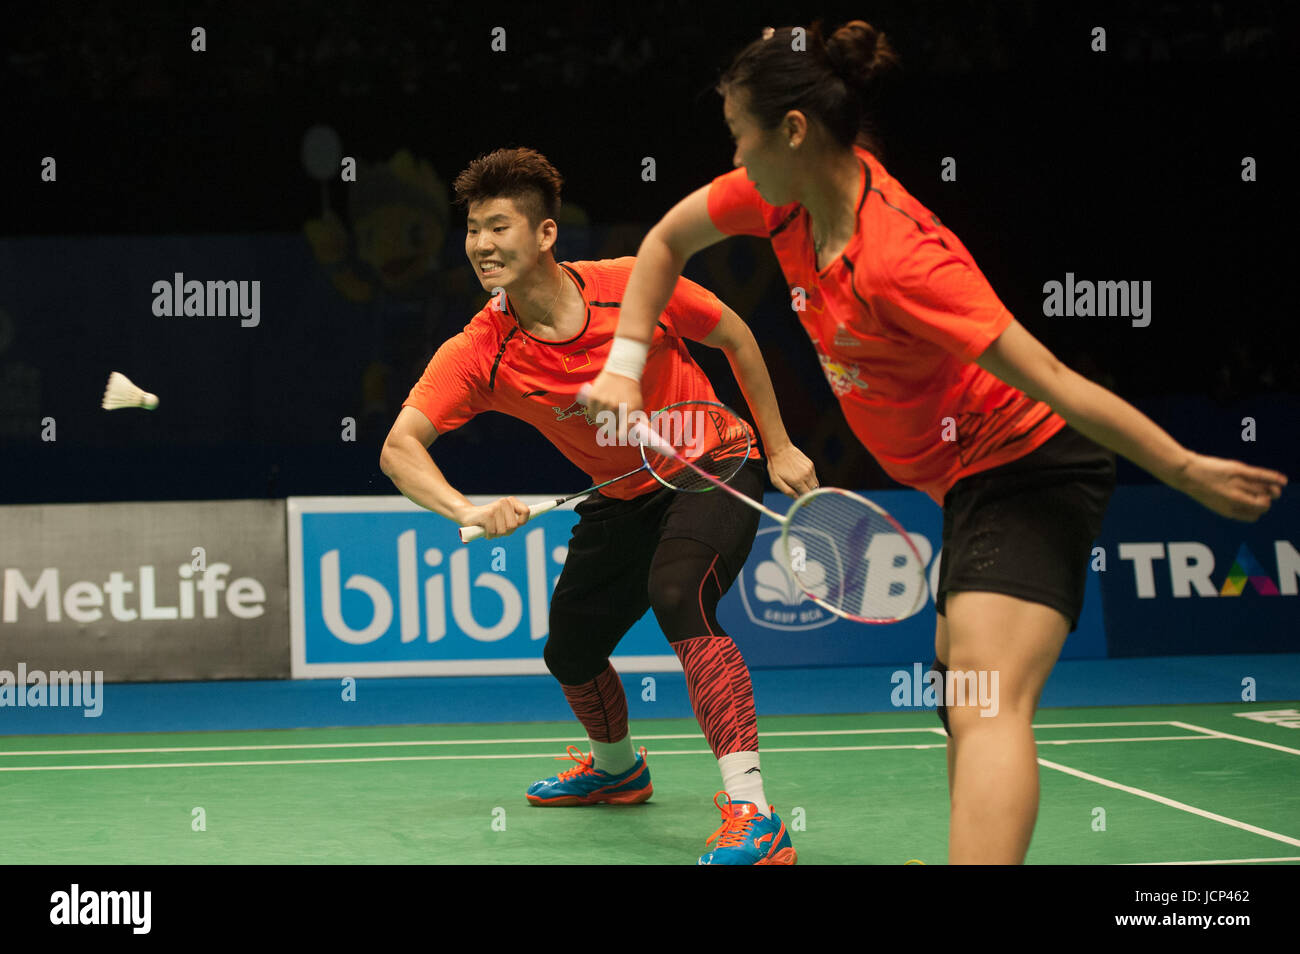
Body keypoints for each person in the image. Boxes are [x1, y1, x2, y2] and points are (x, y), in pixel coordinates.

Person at [584, 22, 1288, 864]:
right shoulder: (781, 199)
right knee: (960, 685)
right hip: (966, 485)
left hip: (1028, 469)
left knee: (986, 698)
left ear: (795, 131)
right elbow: (665, 242)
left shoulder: (904, 260)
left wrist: (1182, 470)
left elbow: (1054, 380)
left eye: (740, 135)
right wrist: (624, 371)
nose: (733, 159)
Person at [380, 147, 816, 864]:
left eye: (498, 227)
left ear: (546, 234)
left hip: (713, 460)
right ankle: (618, 772)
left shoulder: (631, 287)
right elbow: (400, 447)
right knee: (571, 650)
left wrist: (780, 446)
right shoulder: (481, 348)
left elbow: (734, 334)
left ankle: (755, 812)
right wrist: (463, 509)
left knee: (678, 592)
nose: (481, 246)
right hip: (619, 497)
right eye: (472, 232)